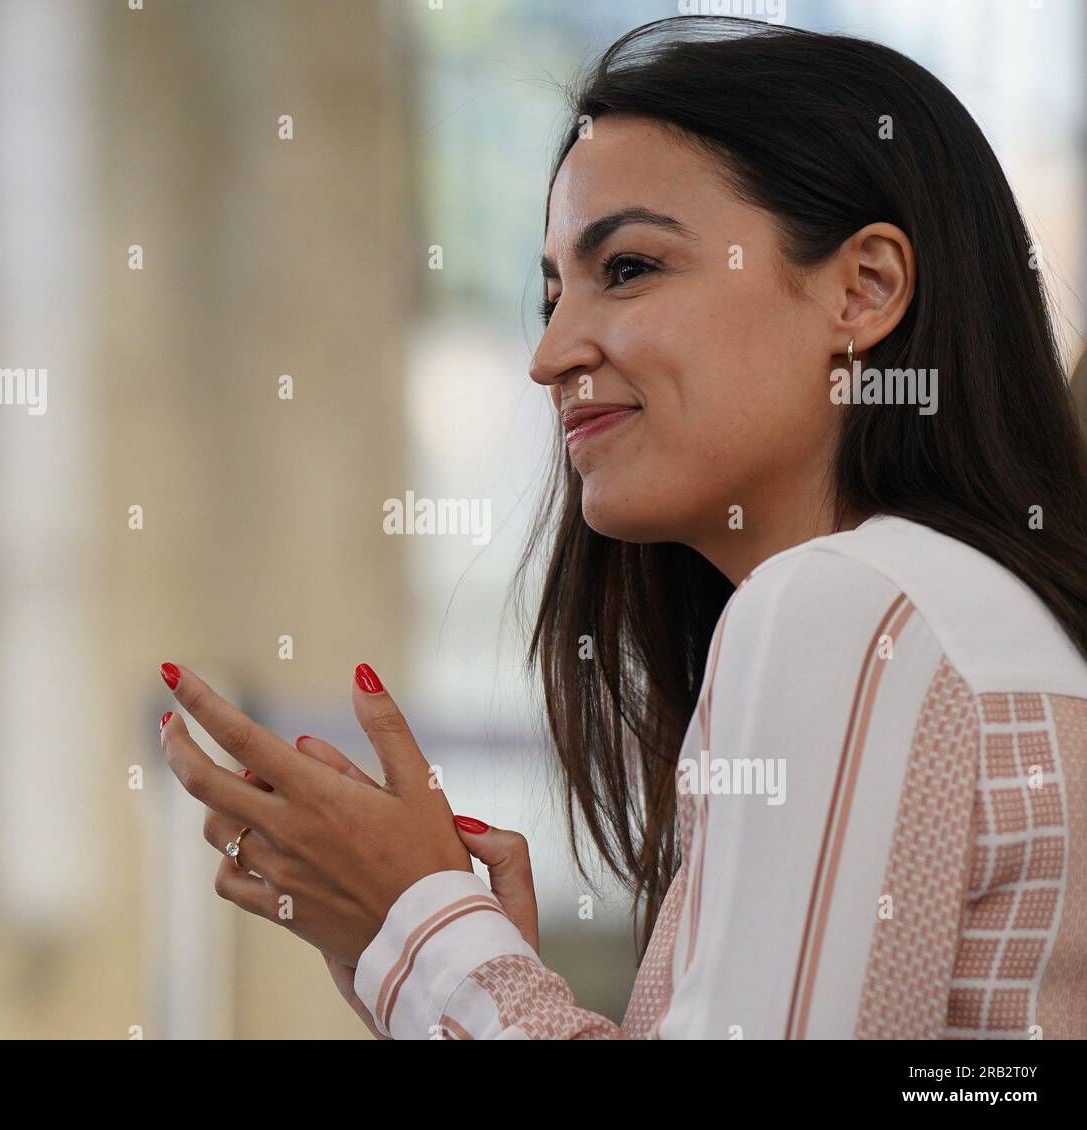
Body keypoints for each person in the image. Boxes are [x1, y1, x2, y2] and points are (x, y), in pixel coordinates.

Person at [159, 17, 1087, 1039]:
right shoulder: (993, 619)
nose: (550, 351)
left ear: (863, 288)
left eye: (630, 268)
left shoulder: (850, 608)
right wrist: (468, 961)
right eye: (552, 290)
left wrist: (421, 930)